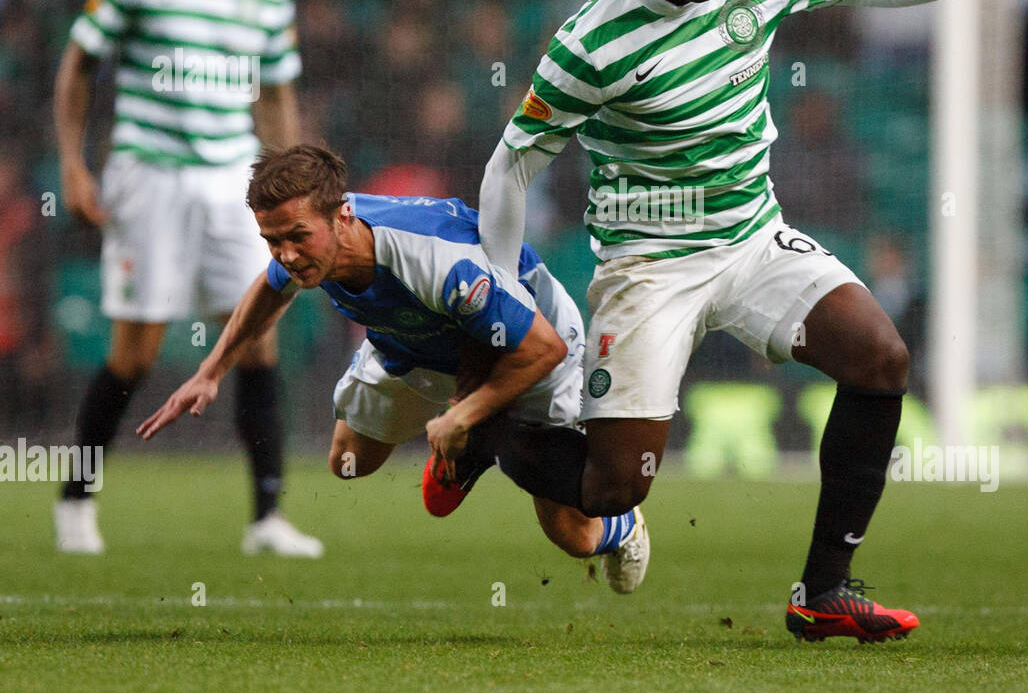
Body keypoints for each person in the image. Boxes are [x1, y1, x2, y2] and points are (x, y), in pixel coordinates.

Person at [467, 0, 1028, 642]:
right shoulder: (591, 44)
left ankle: (824, 591)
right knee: (612, 488)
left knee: (881, 360)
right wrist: (498, 298)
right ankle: (484, 436)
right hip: (650, 264)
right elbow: (512, 161)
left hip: (752, 236)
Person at [137, 145, 650, 593]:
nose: (286, 255)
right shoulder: (311, 237)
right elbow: (271, 287)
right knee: (347, 462)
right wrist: (211, 370)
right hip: (418, 345)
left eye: (296, 238)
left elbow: (543, 349)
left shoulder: (437, 261)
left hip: (524, 344)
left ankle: (621, 524)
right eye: (273, 241)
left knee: (574, 536)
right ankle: (473, 436)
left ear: (341, 216)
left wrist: (462, 416)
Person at [52, 0, 320, 557]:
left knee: (256, 337)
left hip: (231, 176)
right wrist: (75, 169)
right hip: (149, 172)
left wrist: (288, 180)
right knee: (135, 349)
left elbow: (275, 89)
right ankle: (76, 501)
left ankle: (266, 517)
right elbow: (78, 64)